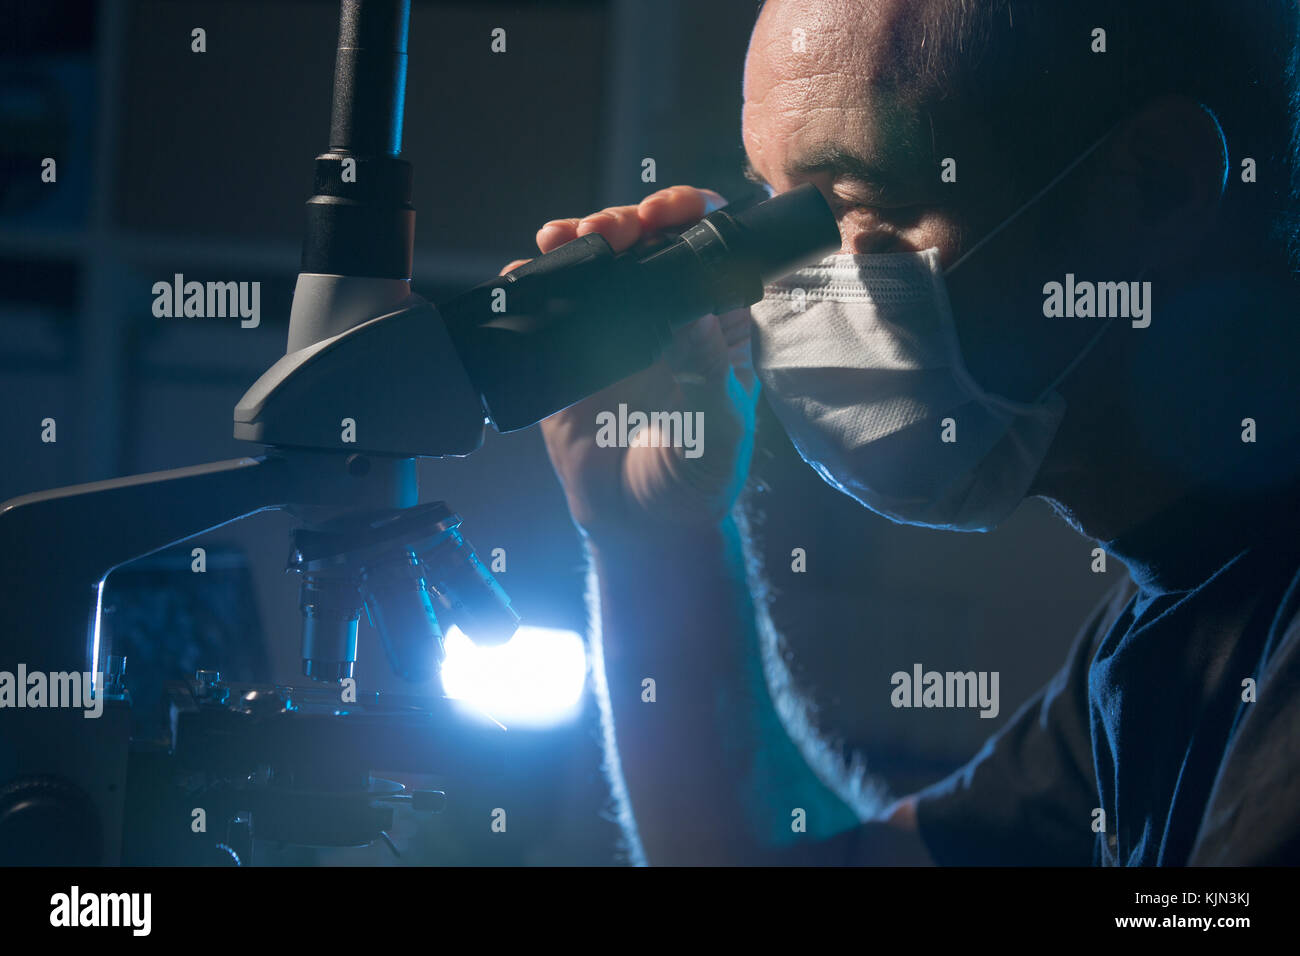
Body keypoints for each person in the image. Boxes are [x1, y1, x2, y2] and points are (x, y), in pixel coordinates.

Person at [504, 0, 1300, 865]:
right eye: (772, 212)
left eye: (847, 203)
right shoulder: (1178, 616)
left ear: (1152, 187)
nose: (779, 288)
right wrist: (654, 539)